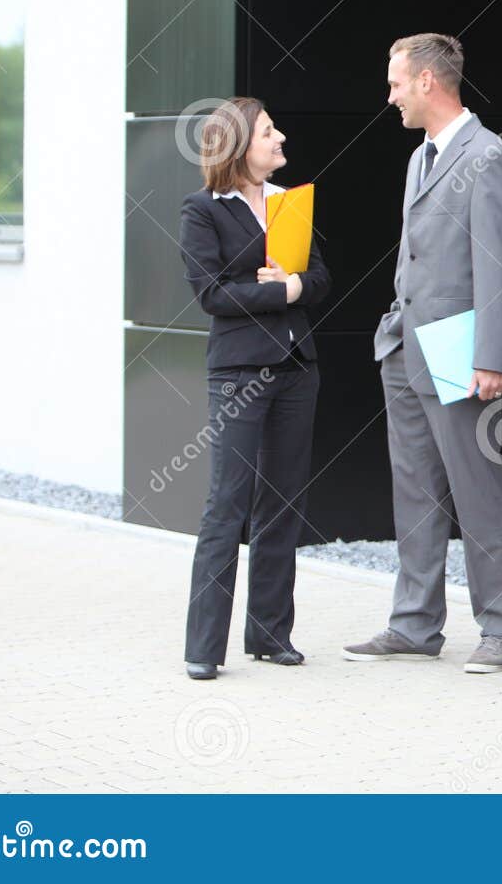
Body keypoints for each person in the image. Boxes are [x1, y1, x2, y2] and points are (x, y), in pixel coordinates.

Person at [344, 33, 502, 675]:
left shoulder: (489, 155)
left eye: (396, 82)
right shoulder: (419, 157)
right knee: (415, 492)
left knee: (479, 492)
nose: (389, 95)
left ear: (427, 81)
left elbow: (500, 265)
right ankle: (414, 625)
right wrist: (393, 323)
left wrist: (493, 359)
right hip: (405, 348)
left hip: (459, 353)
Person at [178, 97, 331, 680]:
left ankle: (270, 635)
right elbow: (212, 294)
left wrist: (294, 285)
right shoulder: (202, 210)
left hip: (297, 369)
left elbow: (319, 277)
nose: (280, 137)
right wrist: (281, 292)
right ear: (240, 145)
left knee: (283, 503)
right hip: (240, 374)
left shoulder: (289, 203)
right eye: (269, 131)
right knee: (227, 505)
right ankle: (203, 647)